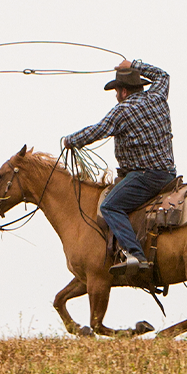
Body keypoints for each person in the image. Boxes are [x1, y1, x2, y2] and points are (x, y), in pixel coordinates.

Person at [62, 59, 176, 276]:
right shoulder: (158, 96)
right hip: (168, 174)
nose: (115, 95)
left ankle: (135, 255)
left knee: (110, 206)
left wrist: (71, 140)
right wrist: (133, 64)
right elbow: (163, 75)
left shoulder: (122, 111)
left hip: (145, 176)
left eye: (116, 91)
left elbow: (97, 131)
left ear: (123, 91)